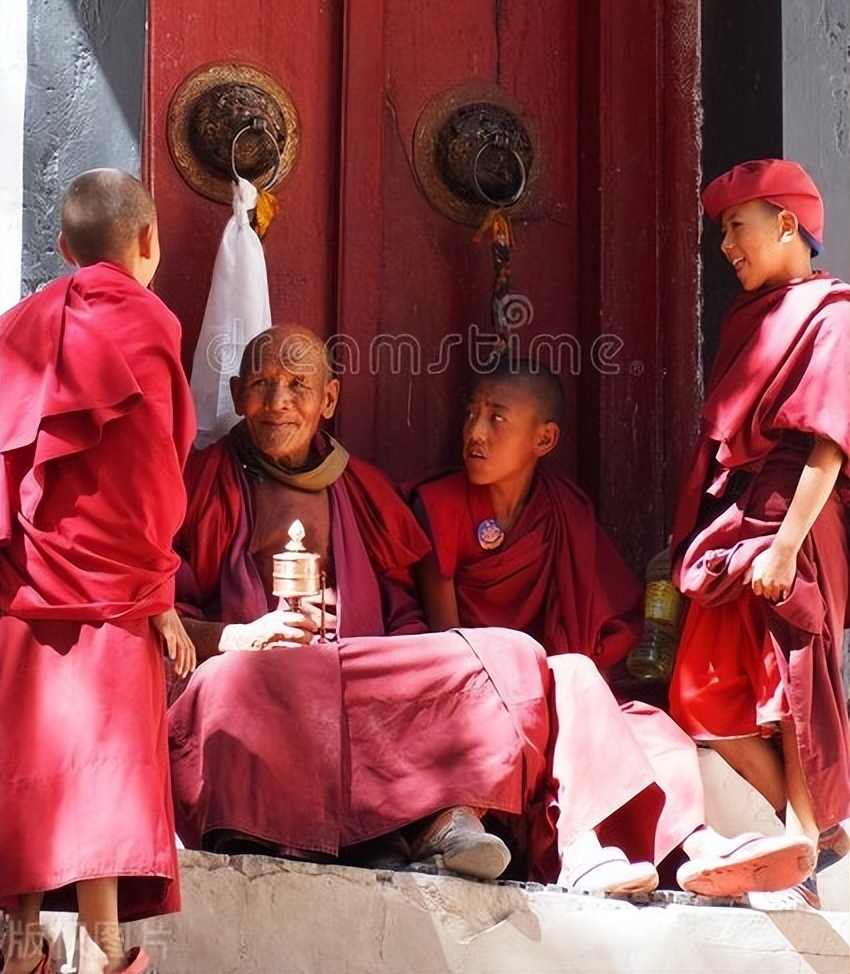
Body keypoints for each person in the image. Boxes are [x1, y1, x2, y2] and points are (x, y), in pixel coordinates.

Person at [410, 358, 816, 898]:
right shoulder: (439, 504)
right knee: (576, 675)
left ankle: (699, 847)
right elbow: (447, 642)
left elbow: (607, 621)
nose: (475, 433)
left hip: (559, 685)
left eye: (496, 418)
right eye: (470, 415)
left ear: (544, 438)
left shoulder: (565, 511)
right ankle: (580, 851)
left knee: (648, 721)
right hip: (484, 685)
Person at [167, 323, 554, 884]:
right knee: (231, 685)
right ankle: (365, 835)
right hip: (263, 675)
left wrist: (398, 677)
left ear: (329, 399)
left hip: (359, 670)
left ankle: (446, 820)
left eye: (298, 385)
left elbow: (404, 619)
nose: (278, 402)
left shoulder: (365, 490)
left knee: (509, 652)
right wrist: (237, 637)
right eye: (262, 383)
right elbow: (161, 615)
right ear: (234, 395)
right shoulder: (197, 484)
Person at [0, 170, 197, 974]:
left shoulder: (18, 328)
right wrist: (158, 593)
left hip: (22, 586)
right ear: (147, 242)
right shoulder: (148, 322)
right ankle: (105, 951)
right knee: (103, 776)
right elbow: (150, 481)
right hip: (116, 598)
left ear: (61, 249)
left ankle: (17, 949)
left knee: (30, 772)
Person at [667, 158, 850, 908]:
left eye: (735, 228)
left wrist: (785, 544)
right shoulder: (752, 318)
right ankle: (815, 840)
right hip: (742, 518)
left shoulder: (834, 313)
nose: (726, 248)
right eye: (718, 235)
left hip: (796, 520)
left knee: (792, 680)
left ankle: (805, 836)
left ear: (784, 222)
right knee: (700, 691)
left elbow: (830, 442)